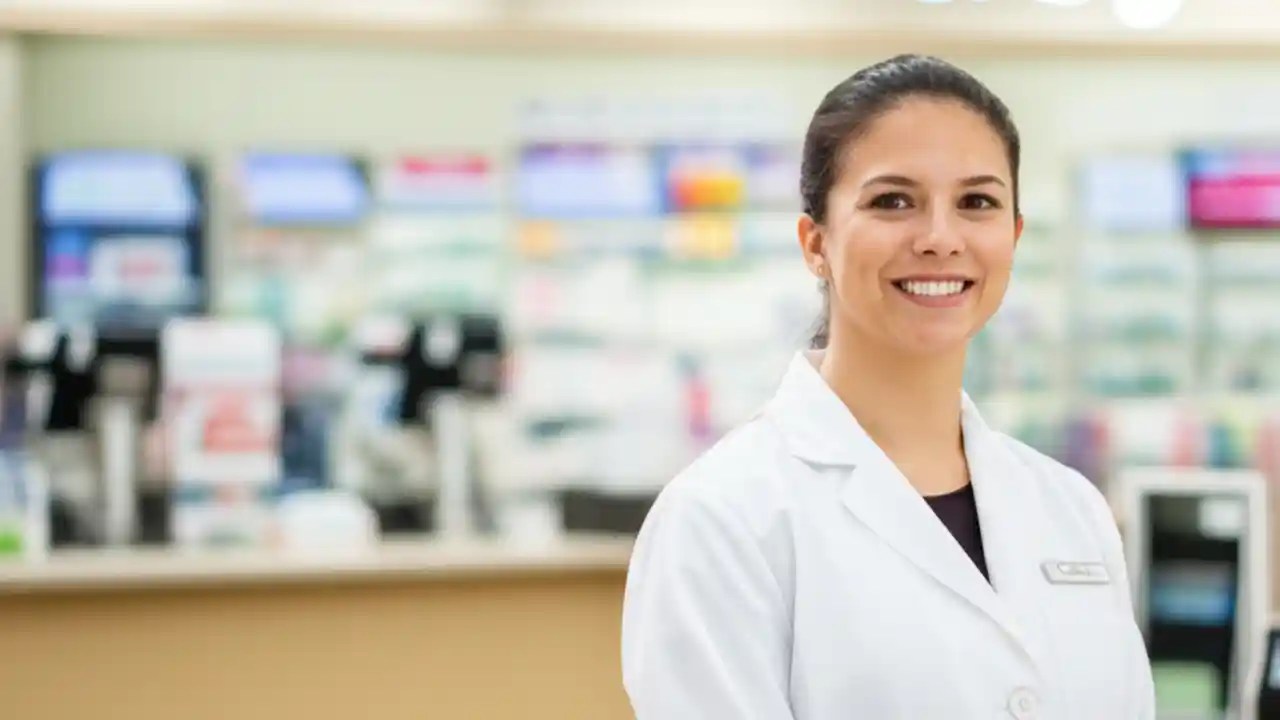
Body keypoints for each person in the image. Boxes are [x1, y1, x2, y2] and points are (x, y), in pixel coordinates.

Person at [621, 54, 1155, 719]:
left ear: (1013, 236)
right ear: (815, 243)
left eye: (977, 202)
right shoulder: (721, 518)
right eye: (892, 201)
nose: (939, 237)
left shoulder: (1073, 511)